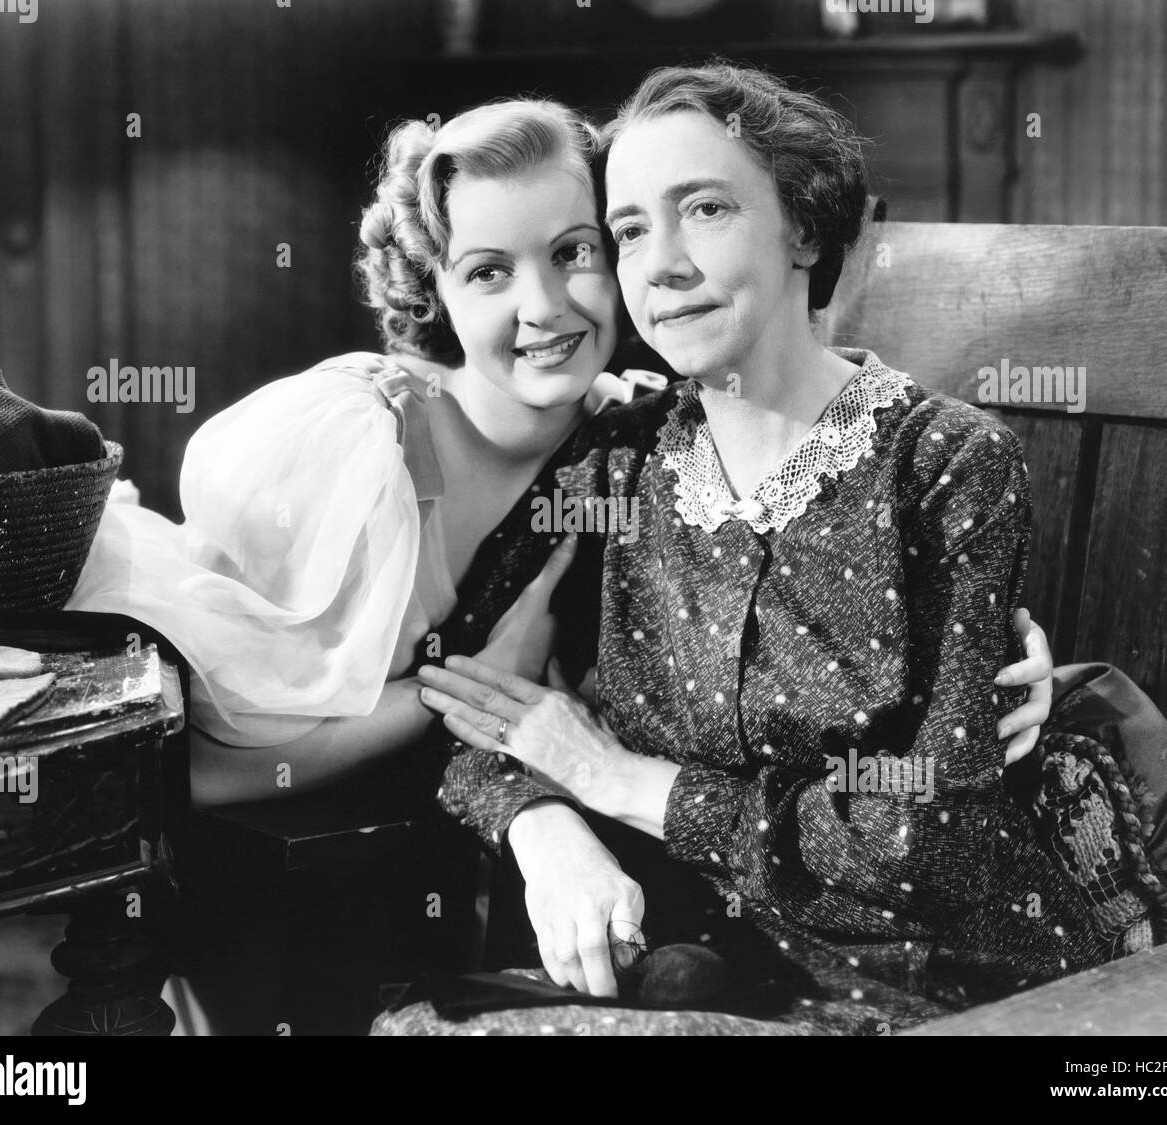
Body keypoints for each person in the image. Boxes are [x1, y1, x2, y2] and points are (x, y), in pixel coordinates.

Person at [66, 93, 1054, 1033]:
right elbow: (286, 716)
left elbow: (918, 772)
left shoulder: (629, 441)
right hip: (200, 788)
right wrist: (542, 814)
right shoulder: (372, 448)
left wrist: (610, 779)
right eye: (488, 271)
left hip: (877, 955)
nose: (544, 303)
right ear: (438, 295)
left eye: (579, 250)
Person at [404, 63, 1107, 1033]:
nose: (660, 266)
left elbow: (926, 830)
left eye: (704, 211)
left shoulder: (944, 464)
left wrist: (631, 785)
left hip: (929, 988)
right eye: (630, 231)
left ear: (803, 230)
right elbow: (463, 705)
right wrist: (546, 825)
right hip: (676, 977)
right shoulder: (614, 463)